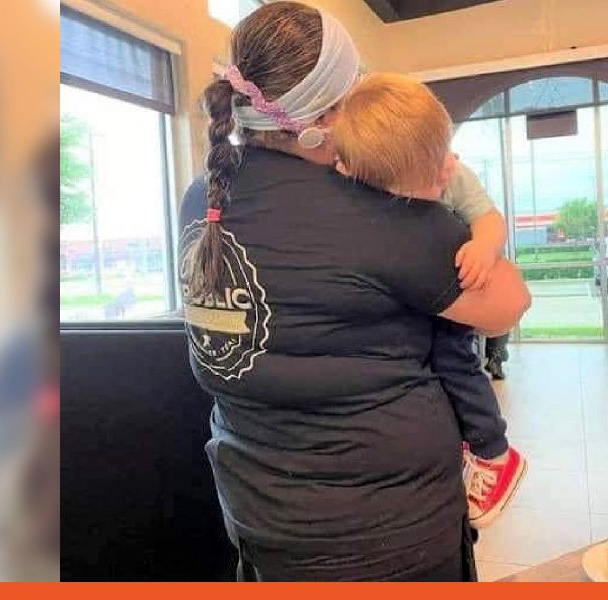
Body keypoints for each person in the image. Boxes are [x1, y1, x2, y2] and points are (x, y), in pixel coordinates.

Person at [178, 2, 529, 581]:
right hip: (389, 536)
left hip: (258, 518)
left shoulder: (205, 197)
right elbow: (506, 307)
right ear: (332, 111)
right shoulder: (384, 212)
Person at [330, 73, 527, 529]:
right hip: (413, 295)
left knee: (456, 363)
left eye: (430, 182)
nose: (428, 194)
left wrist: (483, 247)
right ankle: (461, 443)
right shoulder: (366, 174)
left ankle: (494, 451)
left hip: (459, 285)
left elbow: (491, 219)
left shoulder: (453, 171)